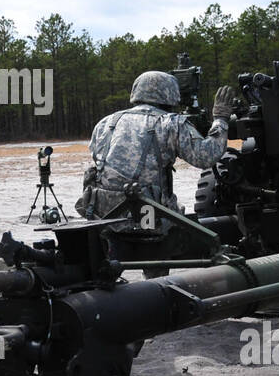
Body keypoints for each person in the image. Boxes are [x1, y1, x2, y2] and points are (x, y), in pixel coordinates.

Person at [77, 72, 235, 276]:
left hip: (106, 217)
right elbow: (206, 156)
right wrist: (220, 119)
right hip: (149, 221)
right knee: (171, 232)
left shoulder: (106, 122)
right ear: (170, 95)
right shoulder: (171, 123)